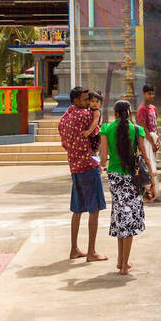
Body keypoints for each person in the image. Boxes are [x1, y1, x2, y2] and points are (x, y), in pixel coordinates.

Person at [99, 99, 156, 275]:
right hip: (132, 178)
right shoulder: (137, 130)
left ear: (115, 113)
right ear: (129, 113)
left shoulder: (106, 129)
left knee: (119, 215)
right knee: (129, 219)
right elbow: (145, 157)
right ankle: (124, 265)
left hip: (115, 177)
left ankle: (120, 261)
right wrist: (152, 183)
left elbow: (102, 160)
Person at [58, 86, 107, 263]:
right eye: (86, 100)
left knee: (77, 209)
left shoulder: (65, 117)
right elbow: (98, 133)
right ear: (77, 100)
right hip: (88, 165)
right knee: (94, 209)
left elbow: (63, 141)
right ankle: (92, 251)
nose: (89, 103)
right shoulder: (86, 115)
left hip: (74, 167)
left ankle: (74, 249)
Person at [135, 83, 160, 201]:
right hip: (146, 140)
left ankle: (153, 191)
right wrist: (152, 142)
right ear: (144, 94)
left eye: (152, 93)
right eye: (148, 94)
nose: (151, 96)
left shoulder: (153, 108)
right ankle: (148, 192)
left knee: (153, 165)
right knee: (148, 166)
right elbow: (143, 128)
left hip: (154, 138)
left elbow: (156, 124)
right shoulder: (142, 109)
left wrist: (157, 139)